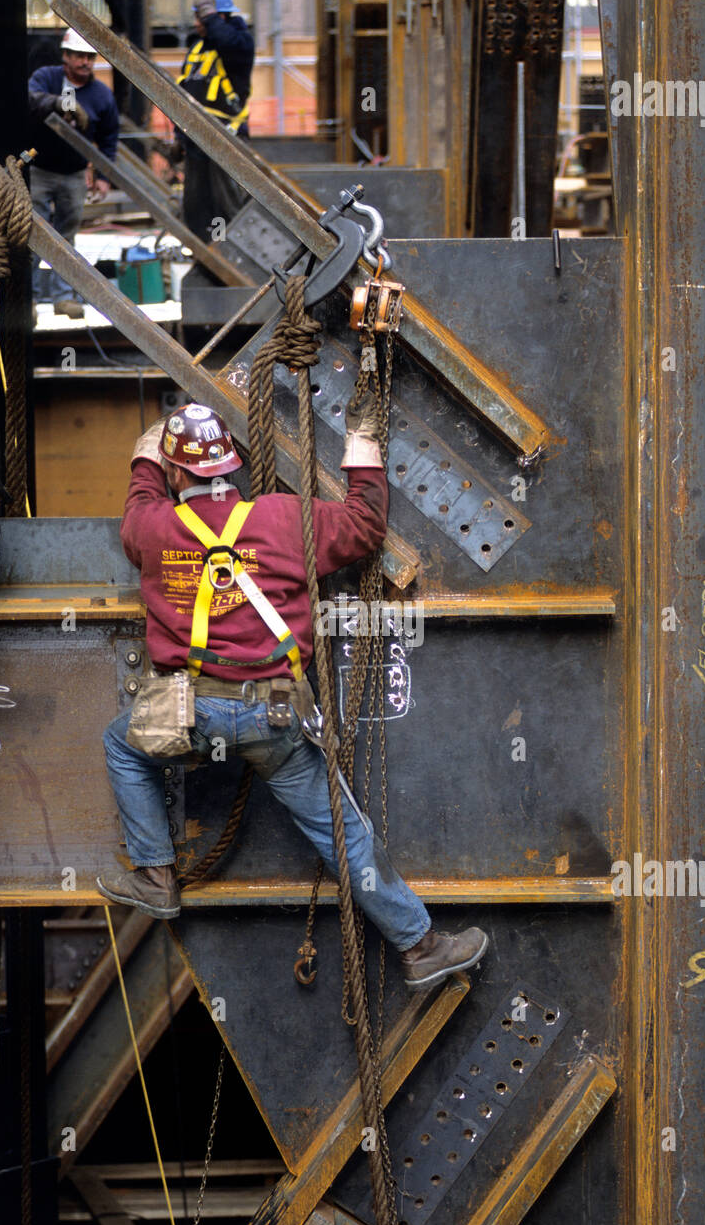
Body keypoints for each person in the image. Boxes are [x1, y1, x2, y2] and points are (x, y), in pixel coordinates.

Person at [96, 400, 488, 992]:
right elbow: (364, 526)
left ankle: (155, 878)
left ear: (177, 475)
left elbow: (141, 498)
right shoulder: (284, 518)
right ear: (232, 464)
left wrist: (149, 454)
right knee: (341, 833)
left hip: (191, 715)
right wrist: (361, 450)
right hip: (273, 716)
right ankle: (420, 944)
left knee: (121, 746)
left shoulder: (152, 530)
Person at [27, 28, 119, 319]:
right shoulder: (47, 78)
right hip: (39, 170)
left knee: (67, 238)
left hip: (74, 175)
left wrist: (103, 177)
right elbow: (29, 100)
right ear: (65, 56)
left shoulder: (102, 95)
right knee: (30, 233)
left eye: (90, 57)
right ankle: (25, 299)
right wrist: (59, 103)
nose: (85, 62)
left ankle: (63, 298)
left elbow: (108, 139)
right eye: (79, 56)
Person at [177, 0, 254, 267]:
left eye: (203, 17)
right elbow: (183, 94)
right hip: (196, 142)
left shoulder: (240, 44)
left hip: (227, 141)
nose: (197, 23)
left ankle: (236, 264)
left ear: (219, 17)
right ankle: (206, 263)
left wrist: (212, 16)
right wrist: (178, 137)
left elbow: (228, 40)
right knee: (196, 208)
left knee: (229, 208)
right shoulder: (197, 49)